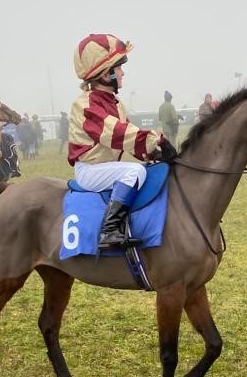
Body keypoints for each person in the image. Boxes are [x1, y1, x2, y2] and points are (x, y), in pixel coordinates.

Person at [69, 33, 176, 250]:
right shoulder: (86, 104)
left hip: (105, 167)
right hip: (89, 170)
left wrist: (155, 154)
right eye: (118, 68)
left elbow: (128, 140)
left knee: (146, 168)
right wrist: (157, 140)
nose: (122, 72)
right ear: (105, 73)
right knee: (135, 173)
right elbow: (118, 133)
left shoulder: (115, 102)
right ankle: (109, 231)